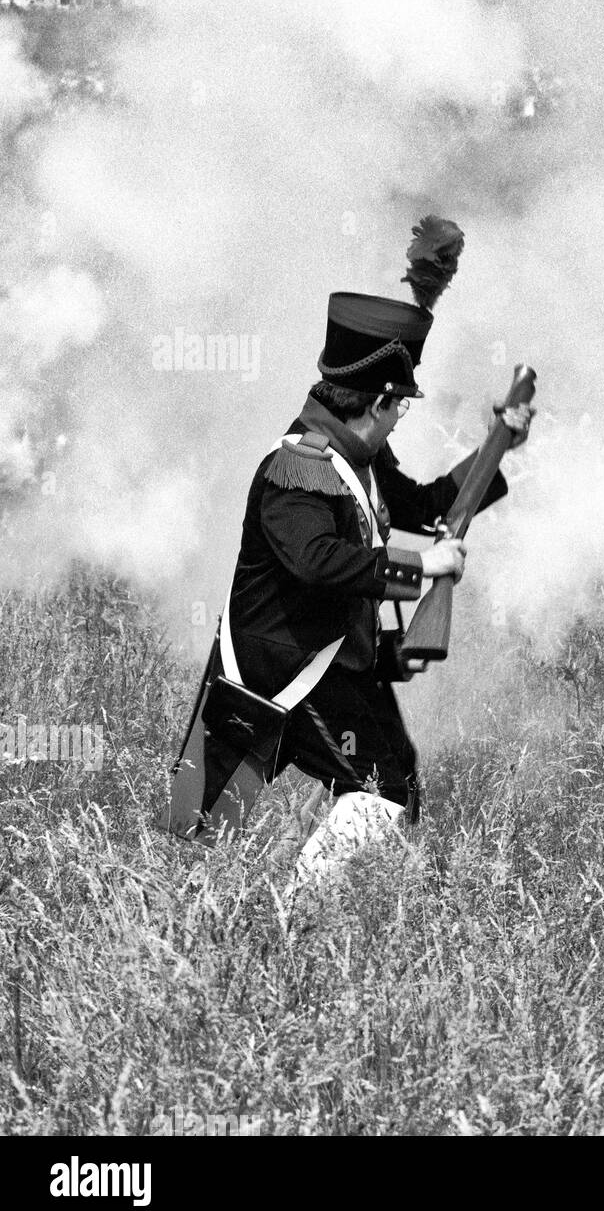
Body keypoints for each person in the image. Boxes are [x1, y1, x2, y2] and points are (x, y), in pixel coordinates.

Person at [166, 215, 533, 878]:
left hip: (330, 669)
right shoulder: (299, 468)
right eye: (400, 404)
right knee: (197, 840)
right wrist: (423, 565)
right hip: (273, 678)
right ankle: (285, 923)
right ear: (377, 401)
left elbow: (425, 506)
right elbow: (319, 563)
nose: (404, 415)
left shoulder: (360, 456)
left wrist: (500, 445)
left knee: (389, 788)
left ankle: (296, 922)